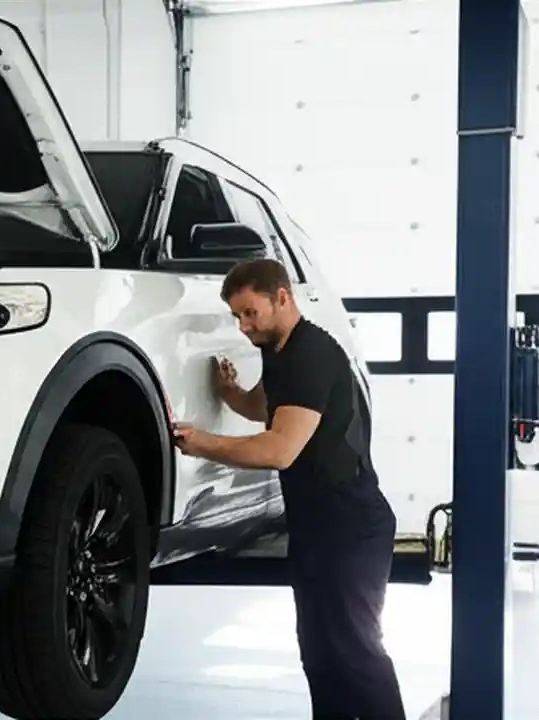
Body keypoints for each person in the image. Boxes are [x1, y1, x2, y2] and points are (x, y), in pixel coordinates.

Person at [172, 258, 406, 720]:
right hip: (315, 526)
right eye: (236, 316)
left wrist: (201, 443)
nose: (243, 326)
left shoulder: (311, 354)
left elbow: (279, 450)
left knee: (356, 652)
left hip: (351, 525)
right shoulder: (277, 348)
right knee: (318, 655)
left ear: (282, 297)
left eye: (250, 313)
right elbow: (268, 407)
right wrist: (231, 395)